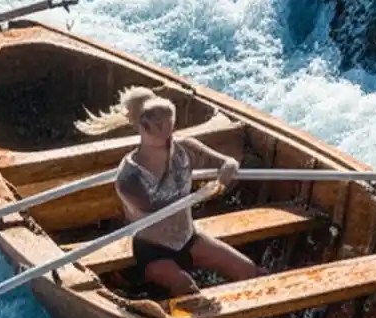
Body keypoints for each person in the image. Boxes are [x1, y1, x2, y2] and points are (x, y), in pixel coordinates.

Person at [75, 86, 259, 297]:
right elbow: (155, 210)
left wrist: (227, 169)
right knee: (186, 287)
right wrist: (204, 193)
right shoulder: (130, 175)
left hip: (189, 239)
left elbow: (227, 162)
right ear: (139, 123)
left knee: (247, 270)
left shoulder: (185, 148)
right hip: (153, 251)